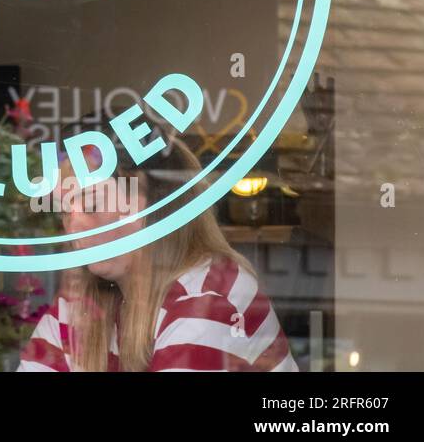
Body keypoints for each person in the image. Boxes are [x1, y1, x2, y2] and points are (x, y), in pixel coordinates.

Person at [18, 127, 296, 372]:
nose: (73, 228)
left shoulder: (206, 297)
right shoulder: (78, 309)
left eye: (92, 204)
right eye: (65, 212)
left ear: (154, 205)